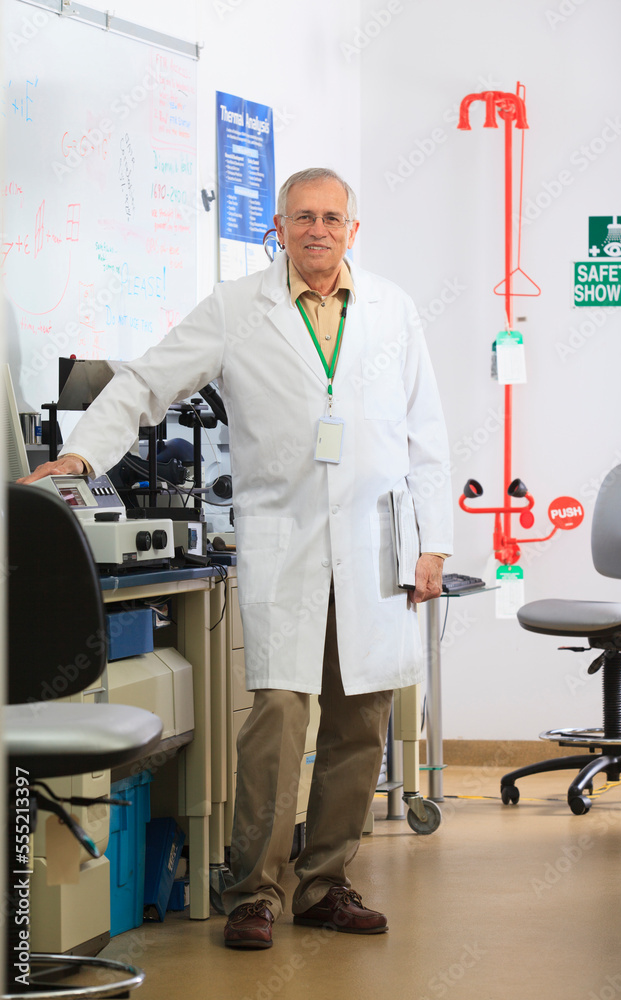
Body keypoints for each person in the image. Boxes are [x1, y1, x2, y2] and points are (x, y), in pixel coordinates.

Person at [20, 167, 453, 949]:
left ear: (352, 229)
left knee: (361, 717)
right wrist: (82, 456)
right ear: (277, 229)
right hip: (284, 536)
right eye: (301, 218)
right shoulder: (235, 308)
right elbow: (147, 383)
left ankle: (325, 884)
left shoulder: (393, 309)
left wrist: (435, 542)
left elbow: (427, 429)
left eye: (330, 217)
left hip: (375, 537)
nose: (316, 229)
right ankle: (254, 890)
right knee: (279, 714)